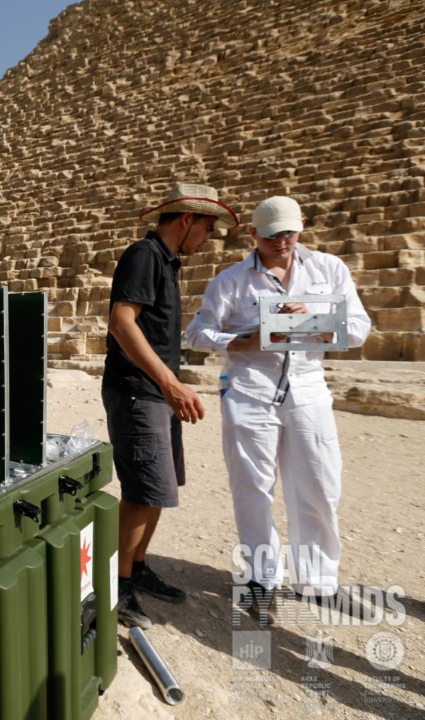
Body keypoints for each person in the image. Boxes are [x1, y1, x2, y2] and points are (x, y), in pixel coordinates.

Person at [184, 195, 370, 616]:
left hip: (308, 388)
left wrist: (315, 316)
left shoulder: (328, 269)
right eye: (271, 236)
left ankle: (319, 580)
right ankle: (261, 580)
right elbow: (197, 333)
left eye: (288, 232)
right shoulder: (231, 280)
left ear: (301, 226)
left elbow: (358, 328)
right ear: (253, 234)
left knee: (320, 485)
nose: (281, 242)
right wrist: (244, 339)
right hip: (250, 387)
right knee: (253, 487)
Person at [103, 182, 239, 629]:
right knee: (142, 491)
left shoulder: (167, 262)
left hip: (157, 391)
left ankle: (137, 568)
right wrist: (170, 384)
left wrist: (170, 386)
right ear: (187, 220)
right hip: (140, 391)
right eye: (207, 229)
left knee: (160, 487)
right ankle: (118, 586)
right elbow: (123, 323)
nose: (208, 239)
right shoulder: (144, 255)